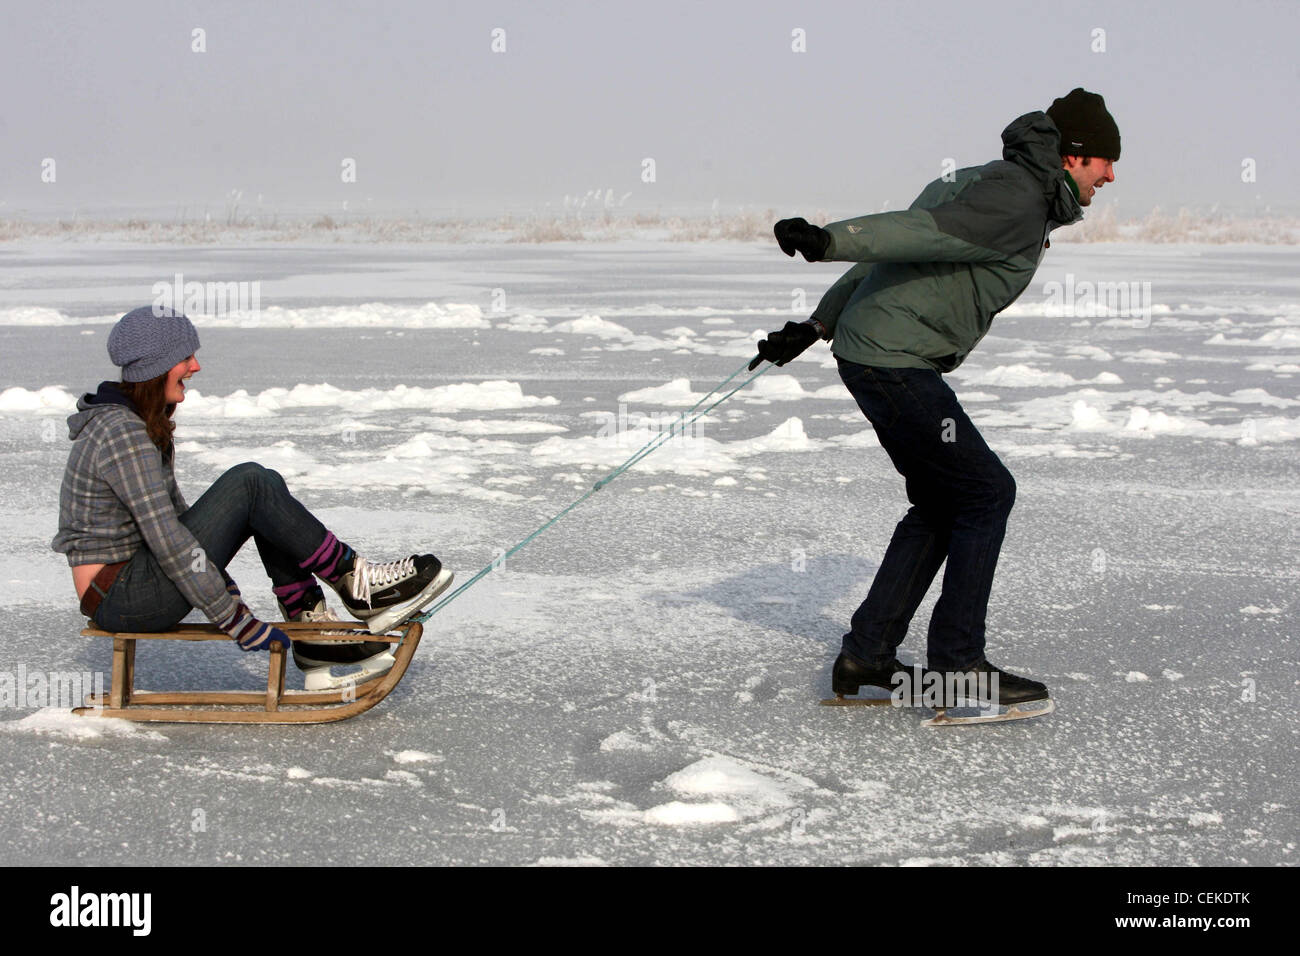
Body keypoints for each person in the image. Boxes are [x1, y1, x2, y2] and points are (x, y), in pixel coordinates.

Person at [751, 89, 1120, 707]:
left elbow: (901, 254)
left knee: (943, 501)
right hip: (893, 362)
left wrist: (817, 325)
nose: (1111, 174)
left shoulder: (990, 181)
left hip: (881, 353)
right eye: (1104, 160)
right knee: (985, 492)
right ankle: (958, 663)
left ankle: (866, 657)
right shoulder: (1016, 197)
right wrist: (829, 239)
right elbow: (913, 231)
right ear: (1072, 156)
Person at [52, 306, 454, 687]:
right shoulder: (122, 433)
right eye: (186, 357)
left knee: (265, 487)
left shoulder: (135, 425)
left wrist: (221, 585)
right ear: (156, 366)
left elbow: (177, 526)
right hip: (123, 596)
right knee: (251, 483)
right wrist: (233, 618)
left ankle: (313, 630)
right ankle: (355, 583)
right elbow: (169, 541)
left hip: (133, 585)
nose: (196, 366)